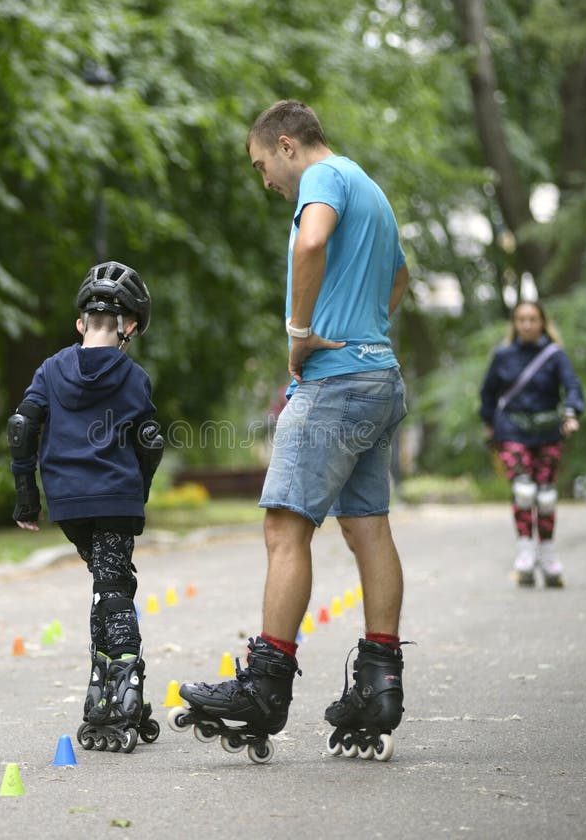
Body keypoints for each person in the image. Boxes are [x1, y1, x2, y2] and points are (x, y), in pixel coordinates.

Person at [176, 100, 411, 760]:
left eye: (261, 166)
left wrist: (300, 334)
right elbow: (400, 277)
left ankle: (264, 686)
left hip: (334, 383)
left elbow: (311, 242)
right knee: (368, 529)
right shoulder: (373, 190)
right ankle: (379, 684)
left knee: (284, 525)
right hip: (378, 377)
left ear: (287, 145)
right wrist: (365, 325)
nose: (265, 182)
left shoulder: (323, 179)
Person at [7, 260, 164, 751]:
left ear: (81, 322)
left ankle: (107, 687)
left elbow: (22, 428)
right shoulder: (134, 377)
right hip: (114, 497)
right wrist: (138, 490)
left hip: (69, 503)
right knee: (115, 585)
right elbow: (151, 442)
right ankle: (124, 675)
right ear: (130, 325)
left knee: (105, 583)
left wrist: (26, 495)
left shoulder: (51, 370)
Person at [479, 300, 584, 587]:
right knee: (523, 491)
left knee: (546, 495)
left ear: (542, 322)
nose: (526, 324)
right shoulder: (503, 356)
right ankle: (525, 551)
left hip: (549, 430)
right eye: (521, 319)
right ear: (514, 323)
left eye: (532, 319)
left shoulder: (555, 355)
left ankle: (548, 553)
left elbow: (572, 386)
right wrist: (489, 423)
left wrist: (572, 413)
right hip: (512, 429)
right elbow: (488, 393)